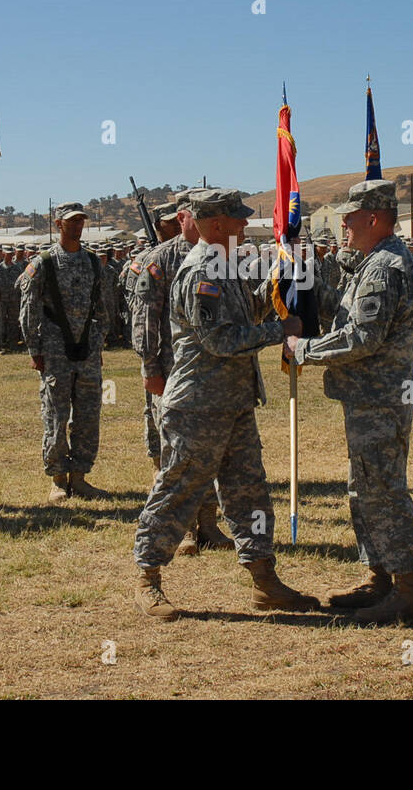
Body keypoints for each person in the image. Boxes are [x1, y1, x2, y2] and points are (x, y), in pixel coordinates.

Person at [133, 189, 315, 620]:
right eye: (236, 221)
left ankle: (264, 580)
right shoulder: (201, 273)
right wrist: (280, 331)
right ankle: (147, 576)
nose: (243, 226)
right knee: (178, 490)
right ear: (215, 226)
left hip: (232, 402)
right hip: (197, 405)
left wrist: (282, 282)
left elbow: (243, 314)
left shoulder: (225, 265)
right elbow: (219, 340)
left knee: (248, 492)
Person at [286, 179, 413, 624]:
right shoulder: (372, 263)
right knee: (365, 488)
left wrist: (303, 349)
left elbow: (363, 337)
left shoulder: (386, 267)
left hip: (379, 399)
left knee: (383, 491)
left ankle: (406, 588)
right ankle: (379, 577)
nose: (342, 223)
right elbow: (348, 315)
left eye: (349, 216)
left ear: (372, 218)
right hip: (369, 397)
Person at [131, 192, 232, 555]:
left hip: (210, 373)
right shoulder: (162, 259)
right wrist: (150, 368)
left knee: (208, 453)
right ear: (183, 218)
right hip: (171, 372)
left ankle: (207, 524)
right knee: (177, 456)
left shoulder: (219, 255)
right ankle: (183, 531)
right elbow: (144, 321)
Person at [19, 202, 110, 502]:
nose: (77, 226)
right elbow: (28, 310)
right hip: (55, 351)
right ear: (58, 224)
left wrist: (98, 343)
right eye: (71, 222)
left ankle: (80, 477)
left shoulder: (93, 263)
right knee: (55, 416)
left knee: (88, 415)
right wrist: (35, 348)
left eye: (81, 221)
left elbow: (103, 309)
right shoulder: (44, 263)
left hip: (87, 350)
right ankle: (58, 478)